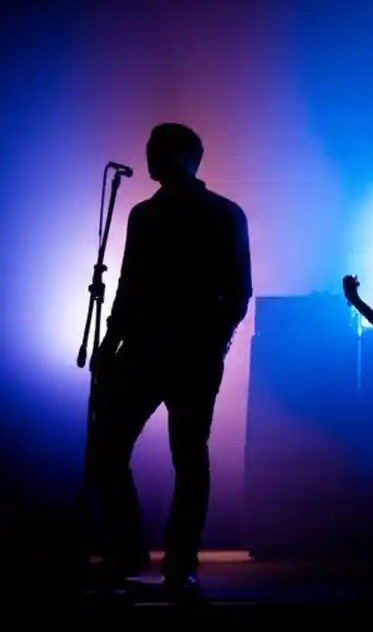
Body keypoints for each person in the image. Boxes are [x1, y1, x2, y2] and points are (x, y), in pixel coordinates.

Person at [87, 123, 252, 590]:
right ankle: (159, 554)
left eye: (157, 151)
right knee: (123, 451)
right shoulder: (152, 214)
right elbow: (127, 286)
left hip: (173, 352)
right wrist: (108, 343)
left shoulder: (215, 214)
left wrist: (213, 342)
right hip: (158, 351)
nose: (149, 157)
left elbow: (238, 290)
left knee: (171, 453)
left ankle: (165, 553)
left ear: (184, 156)